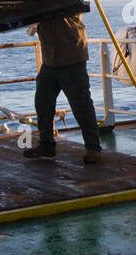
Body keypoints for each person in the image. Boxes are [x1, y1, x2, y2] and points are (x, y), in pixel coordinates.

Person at [23, 12, 102, 164]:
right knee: (42, 103)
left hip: (71, 58)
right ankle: (46, 144)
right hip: (50, 59)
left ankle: (93, 148)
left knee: (81, 105)